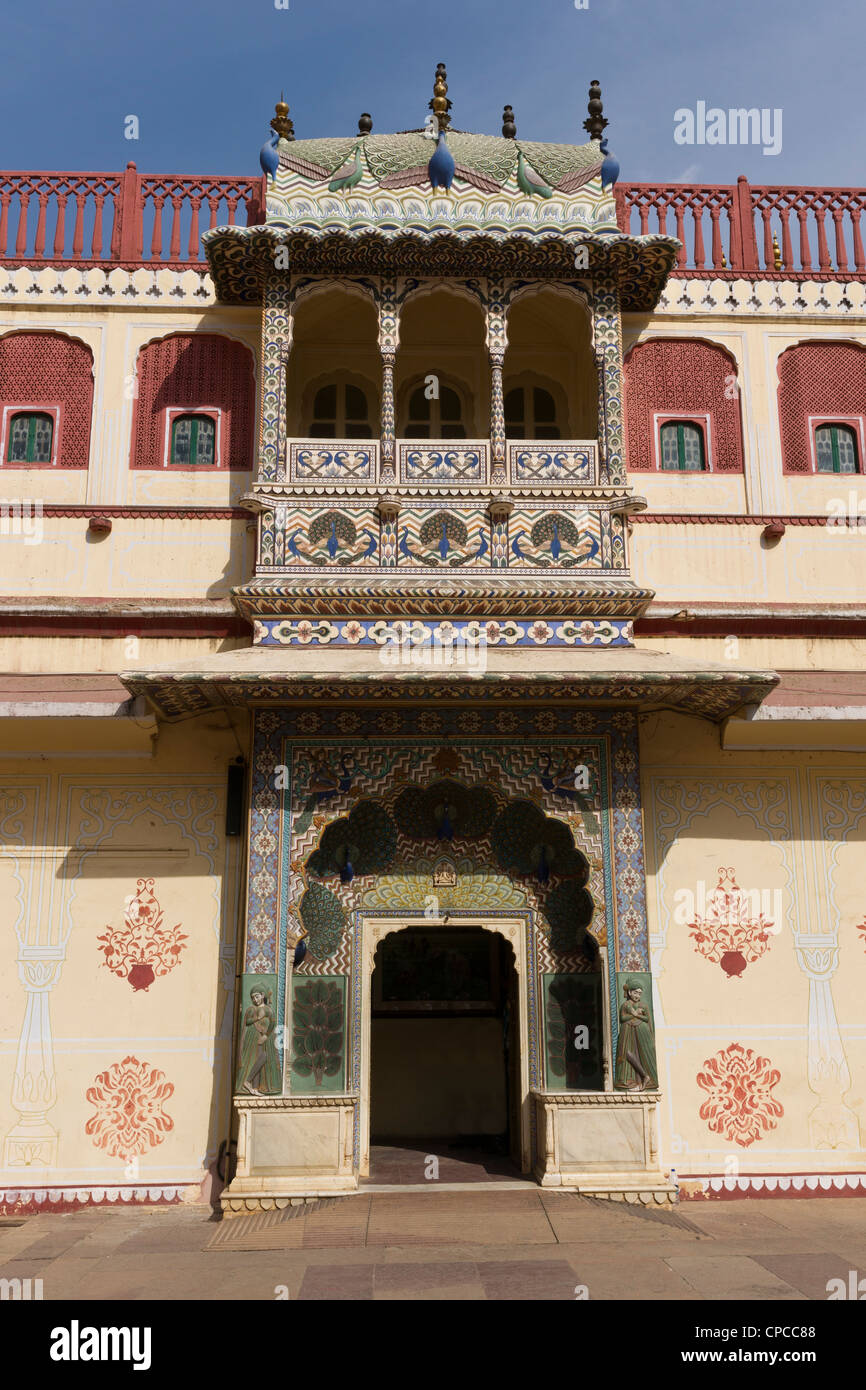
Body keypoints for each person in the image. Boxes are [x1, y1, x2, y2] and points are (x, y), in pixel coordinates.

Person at [236, 986, 282, 1096]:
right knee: (259, 1059)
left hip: (263, 1039)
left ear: (262, 995)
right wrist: (258, 1018)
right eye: (253, 998)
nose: (255, 1000)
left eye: (257, 996)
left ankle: (253, 1086)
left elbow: (272, 1023)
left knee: (261, 1060)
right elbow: (247, 1021)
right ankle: (249, 1083)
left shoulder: (268, 1010)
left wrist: (266, 1036)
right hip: (253, 1038)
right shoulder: (252, 1009)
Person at [614, 980, 658, 1091]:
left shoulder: (643, 1005)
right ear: (629, 992)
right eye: (635, 993)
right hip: (627, 1030)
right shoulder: (625, 1005)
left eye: (639, 993)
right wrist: (634, 1014)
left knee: (642, 1053)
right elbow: (623, 1018)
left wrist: (637, 1015)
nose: (637, 996)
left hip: (641, 1030)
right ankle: (640, 1077)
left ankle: (645, 1078)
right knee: (627, 1053)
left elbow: (647, 1019)